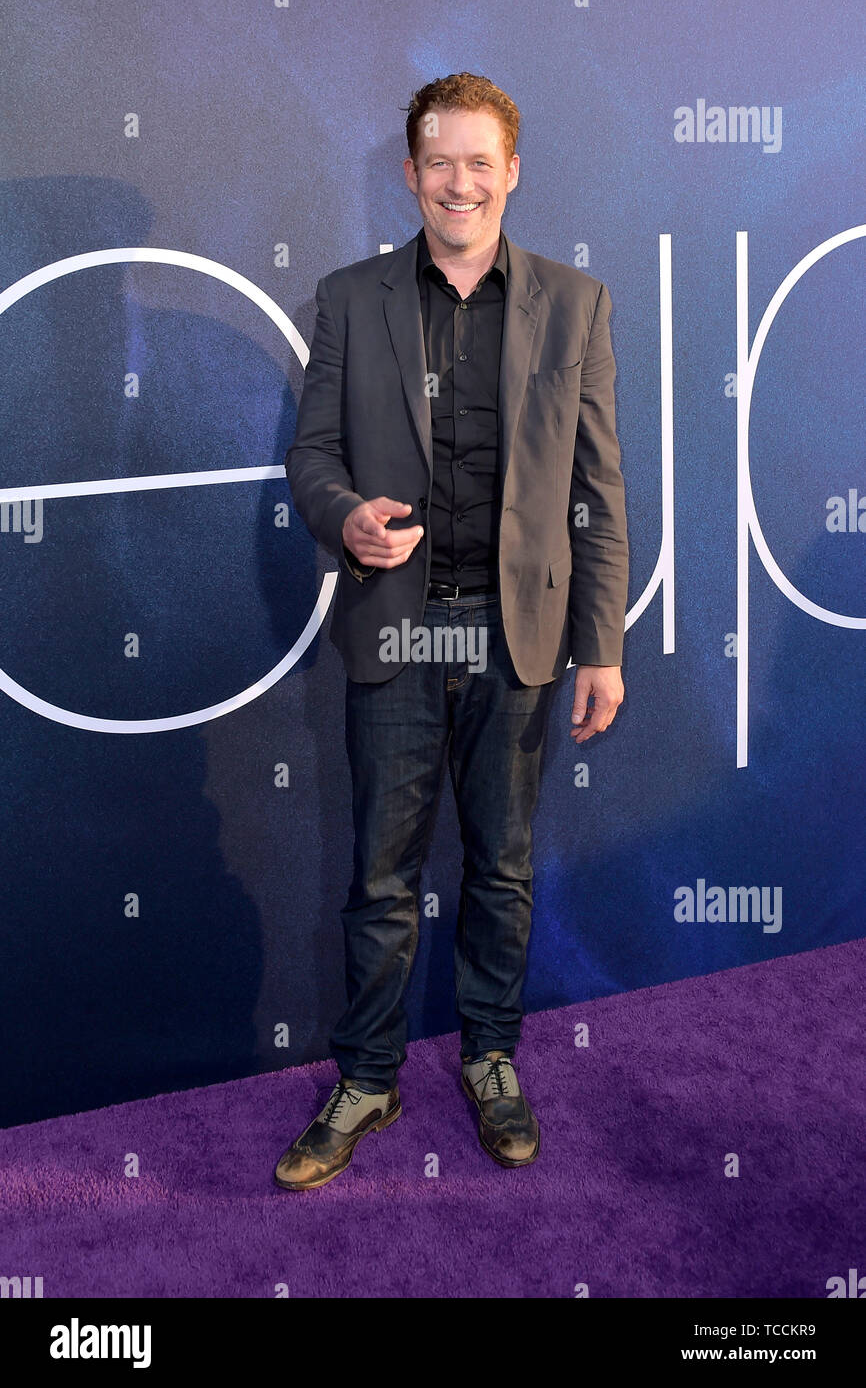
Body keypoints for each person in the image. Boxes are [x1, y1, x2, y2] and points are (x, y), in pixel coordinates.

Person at [276, 72, 629, 1191]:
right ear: (410, 172)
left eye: (481, 162)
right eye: (440, 162)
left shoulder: (574, 303)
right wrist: (345, 519)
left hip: (516, 640)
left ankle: (489, 1061)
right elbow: (310, 458)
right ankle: (367, 1077)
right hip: (402, 630)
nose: (459, 182)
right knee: (378, 877)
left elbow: (598, 486)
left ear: (512, 171)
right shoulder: (348, 296)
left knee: (502, 869)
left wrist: (603, 644)